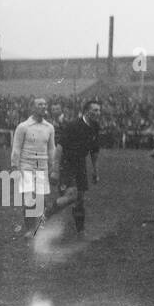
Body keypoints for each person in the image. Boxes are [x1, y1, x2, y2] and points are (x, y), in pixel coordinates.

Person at [48, 98, 102, 236]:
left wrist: (95, 171)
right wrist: (55, 170)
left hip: (80, 165)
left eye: (99, 110)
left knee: (80, 199)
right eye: (95, 110)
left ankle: (80, 231)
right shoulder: (74, 126)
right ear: (86, 111)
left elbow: (94, 151)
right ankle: (45, 214)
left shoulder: (95, 127)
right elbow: (60, 148)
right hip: (66, 164)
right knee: (71, 196)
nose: (98, 113)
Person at [10, 97, 56, 235]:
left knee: (41, 199)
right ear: (32, 108)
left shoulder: (49, 127)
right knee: (29, 199)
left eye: (44, 104)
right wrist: (14, 167)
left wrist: (53, 166)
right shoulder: (23, 126)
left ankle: (37, 227)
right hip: (26, 166)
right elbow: (16, 148)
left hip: (42, 166)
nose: (43, 106)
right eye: (39, 104)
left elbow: (51, 148)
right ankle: (30, 229)